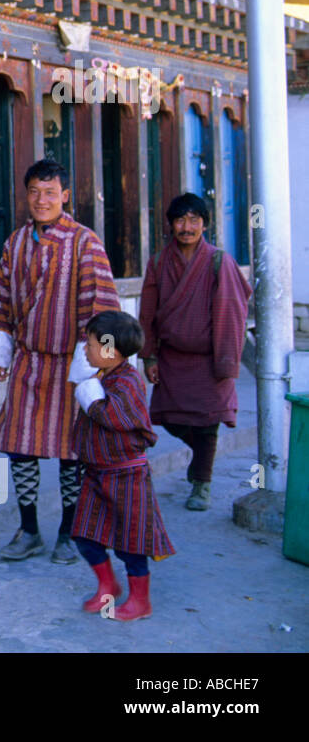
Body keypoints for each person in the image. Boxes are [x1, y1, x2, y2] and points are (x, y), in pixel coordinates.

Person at [0, 159, 119, 563]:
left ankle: (69, 531)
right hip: (29, 362)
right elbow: (5, 305)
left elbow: (100, 309)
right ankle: (28, 530)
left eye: (50, 193)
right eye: (34, 192)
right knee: (19, 446)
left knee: (70, 452)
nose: (41, 200)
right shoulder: (15, 243)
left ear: (64, 196)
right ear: (26, 196)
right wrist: (2, 347)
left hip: (71, 364)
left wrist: (94, 366)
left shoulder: (85, 242)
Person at [138, 193, 251, 511]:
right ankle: (201, 457)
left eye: (194, 220)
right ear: (171, 224)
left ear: (205, 224)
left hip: (210, 358)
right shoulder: (159, 263)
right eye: (180, 220)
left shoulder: (219, 261)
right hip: (173, 358)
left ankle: (202, 483)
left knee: (208, 423)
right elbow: (148, 312)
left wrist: (226, 359)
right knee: (171, 419)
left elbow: (231, 311)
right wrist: (149, 356)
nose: (186, 227)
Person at [69, 310, 175, 621]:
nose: (84, 349)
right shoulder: (101, 377)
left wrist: (90, 398)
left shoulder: (128, 382)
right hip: (97, 473)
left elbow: (113, 416)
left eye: (88, 343)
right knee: (85, 535)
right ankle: (108, 585)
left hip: (127, 475)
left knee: (131, 543)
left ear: (109, 350)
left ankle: (140, 600)